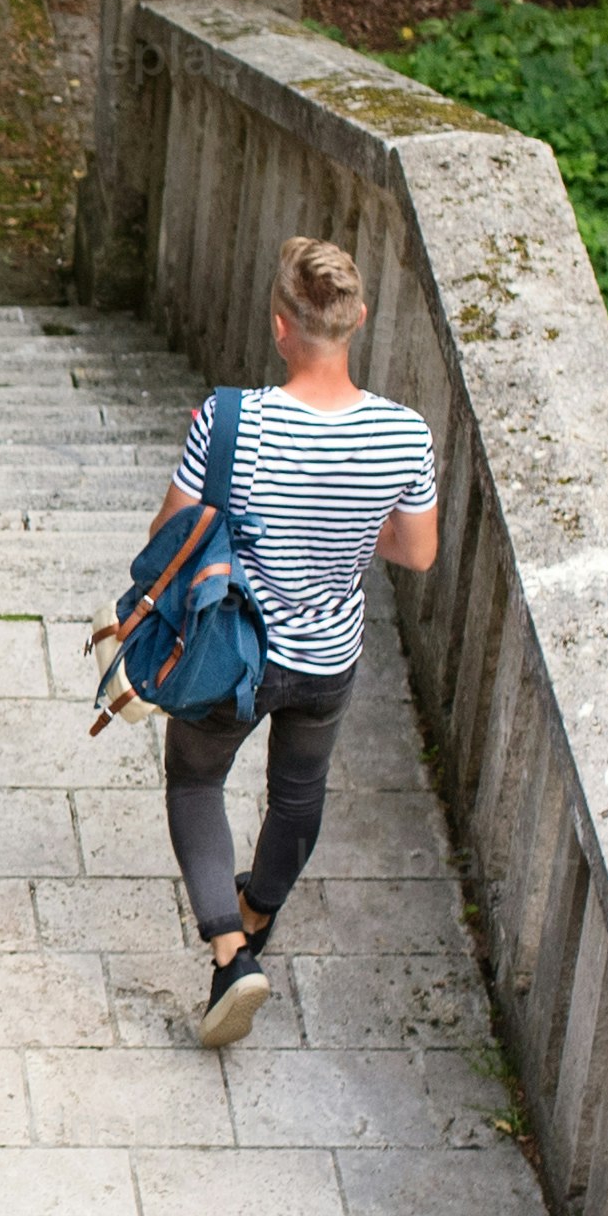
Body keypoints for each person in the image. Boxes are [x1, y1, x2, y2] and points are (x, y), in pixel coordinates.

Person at [162, 233, 440, 1045]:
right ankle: (255, 911)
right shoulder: (403, 434)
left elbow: (172, 533)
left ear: (281, 324)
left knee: (194, 783)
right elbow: (416, 550)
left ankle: (227, 950)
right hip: (327, 656)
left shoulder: (229, 420)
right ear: (357, 320)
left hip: (231, 652)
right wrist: (344, 534)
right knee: (296, 793)